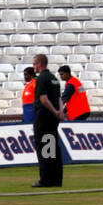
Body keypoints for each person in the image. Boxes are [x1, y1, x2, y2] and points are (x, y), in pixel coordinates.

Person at [31, 52, 63, 188]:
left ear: (39, 64)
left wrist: (54, 111)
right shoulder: (54, 78)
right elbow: (59, 98)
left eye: (34, 64)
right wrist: (59, 112)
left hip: (44, 115)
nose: (33, 67)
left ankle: (45, 179)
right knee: (52, 147)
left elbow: (43, 99)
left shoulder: (41, 78)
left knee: (44, 147)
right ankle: (56, 179)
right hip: (53, 118)